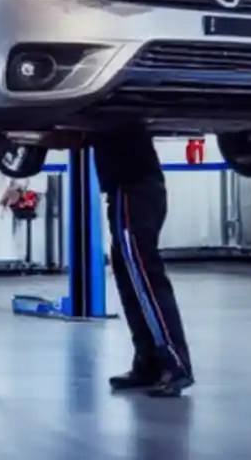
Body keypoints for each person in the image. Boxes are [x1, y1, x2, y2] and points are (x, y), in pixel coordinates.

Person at [92, 125, 194, 398]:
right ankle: (148, 362)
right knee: (127, 274)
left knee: (143, 276)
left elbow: (67, 137)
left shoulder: (110, 107)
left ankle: (175, 363)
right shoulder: (100, 112)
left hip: (134, 189)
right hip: (128, 191)